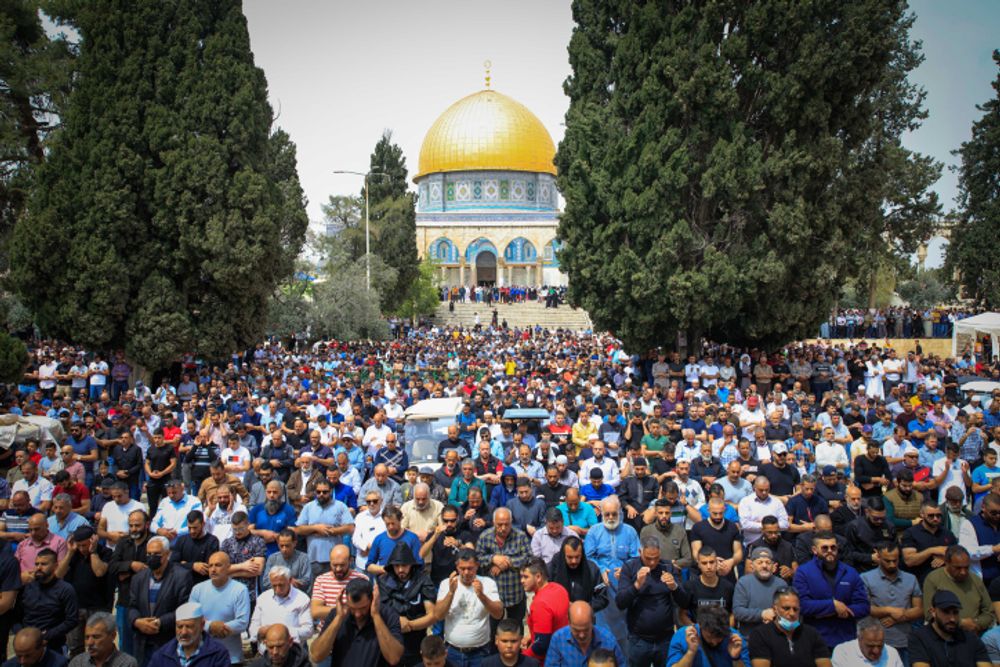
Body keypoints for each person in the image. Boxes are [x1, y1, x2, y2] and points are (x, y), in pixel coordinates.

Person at [616, 535, 686, 667]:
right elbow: (620, 602)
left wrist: (674, 587)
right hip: (638, 640)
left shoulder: (668, 566)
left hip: (665, 639)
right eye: (648, 558)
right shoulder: (630, 567)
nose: (653, 563)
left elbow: (684, 602)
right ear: (640, 552)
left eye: (656, 558)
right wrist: (636, 585)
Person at [792, 531, 870, 648]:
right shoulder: (803, 572)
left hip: (846, 638)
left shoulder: (850, 572)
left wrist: (841, 610)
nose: (830, 550)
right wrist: (833, 606)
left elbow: (864, 606)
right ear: (814, 550)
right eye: (824, 548)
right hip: (815, 640)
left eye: (833, 547)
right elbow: (802, 605)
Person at [128, 536, 194, 667]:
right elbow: (132, 606)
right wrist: (137, 621)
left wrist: (160, 622)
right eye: (149, 554)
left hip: (168, 641)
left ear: (167, 554)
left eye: (157, 554)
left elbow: (184, 609)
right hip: (143, 642)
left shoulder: (181, 576)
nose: (152, 557)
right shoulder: (138, 578)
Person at [309, 577, 404, 667]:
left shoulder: (388, 615)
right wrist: (338, 619)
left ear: (372, 599)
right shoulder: (336, 615)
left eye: (363, 608)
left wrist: (376, 616)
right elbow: (316, 656)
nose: (357, 614)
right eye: (353, 608)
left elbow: (394, 658)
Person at [434, 548, 504, 667]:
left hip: (480, 652)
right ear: (457, 567)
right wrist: (450, 593)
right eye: (462, 568)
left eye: (470, 568)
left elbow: (498, 614)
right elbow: (438, 615)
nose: (466, 572)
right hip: (453, 652)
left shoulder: (487, 583)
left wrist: (482, 595)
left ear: (477, 566)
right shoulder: (447, 584)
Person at [860, 542, 922, 666]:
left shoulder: (911, 578)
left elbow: (919, 610)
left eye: (895, 560)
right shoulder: (865, 578)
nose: (892, 564)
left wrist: (900, 617)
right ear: (878, 557)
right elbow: (865, 608)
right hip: (875, 643)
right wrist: (889, 610)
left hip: (904, 641)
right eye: (887, 561)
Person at [57, 525, 114, 657]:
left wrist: (93, 552)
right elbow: (59, 574)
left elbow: (99, 572)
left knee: (99, 646)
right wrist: (70, 552)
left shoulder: (105, 552)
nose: (82, 549)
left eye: (85, 545)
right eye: (79, 545)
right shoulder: (73, 554)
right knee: (75, 647)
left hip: (98, 607)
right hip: (75, 607)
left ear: (93, 540)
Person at [376, 543, 436, 667]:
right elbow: (382, 611)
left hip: (416, 639)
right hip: (392, 639)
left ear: (411, 564)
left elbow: (432, 615)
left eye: (404, 565)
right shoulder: (383, 581)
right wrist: (398, 622)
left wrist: (410, 625)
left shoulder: (423, 580)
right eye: (396, 566)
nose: (400, 569)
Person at [188, 552, 250, 665]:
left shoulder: (240, 590)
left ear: (228, 567)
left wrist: (221, 627)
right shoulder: (197, 589)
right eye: (210, 565)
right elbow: (191, 619)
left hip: (231, 657)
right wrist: (210, 626)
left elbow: (242, 622)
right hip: (202, 656)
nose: (213, 569)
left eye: (218, 565)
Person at [747, 588, 831, 667]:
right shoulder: (760, 635)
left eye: (795, 609)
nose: (792, 613)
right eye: (786, 608)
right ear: (774, 609)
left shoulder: (812, 634)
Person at [908, 589, 991, 667]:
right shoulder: (919, 637)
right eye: (946, 612)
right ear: (933, 612)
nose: (952, 618)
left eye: (955, 613)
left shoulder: (971, 639)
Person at [108, 509, 151, 657]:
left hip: (147, 602)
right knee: (125, 645)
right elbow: (112, 567)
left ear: (147, 524)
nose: (133, 529)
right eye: (131, 525)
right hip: (125, 600)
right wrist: (131, 565)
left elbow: (152, 569)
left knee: (146, 646)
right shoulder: (123, 542)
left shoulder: (154, 542)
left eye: (137, 525)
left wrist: (126, 574)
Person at [476, 507, 531, 622]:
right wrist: (493, 558)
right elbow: (477, 559)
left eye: (507, 524)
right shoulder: (484, 537)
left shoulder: (520, 536)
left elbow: (528, 558)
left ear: (511, 522)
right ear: (493, 522)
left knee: (516, 630)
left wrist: (507, 562)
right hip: (492, 598)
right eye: (499, 525)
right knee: (493, 633)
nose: (503, 528)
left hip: (515, 595)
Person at [921, 545, 993, 632]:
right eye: (958, 568)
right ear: (947, 563)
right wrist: (960, 623)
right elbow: (929, 614)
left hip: (973, 633)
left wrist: (976, 623)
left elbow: (989, 612)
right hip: (945, 634)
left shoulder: (975, 580)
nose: (963, 572)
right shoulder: (934, 579)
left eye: (966, 567)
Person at [21, 548, 79, 654]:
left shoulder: (65, 589)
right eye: (36, 564)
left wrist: (46, 636)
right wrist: (22, 634)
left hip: (53, 645)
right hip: (27, 643)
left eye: (44, 564)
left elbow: (72, 620)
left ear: (55, 566)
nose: (38, 567)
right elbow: (16, 616)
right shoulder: (28, 587)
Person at [296, 479, 355, 580]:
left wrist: (330, 531)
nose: (321, 494)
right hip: (313, 558)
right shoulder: (308, 507)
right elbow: (298, 529)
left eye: (325, 492)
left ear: (331, 491)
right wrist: (316, 528)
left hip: (336, 561)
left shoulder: (340, 506)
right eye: (318, 492)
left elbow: (350, 528)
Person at [146, 602, 230, 667]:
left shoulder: (218, 654)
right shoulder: (162, 655)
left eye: (189, 627)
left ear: (202, 625)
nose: (184, 632)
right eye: (180, 626)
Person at [545, 601, 626, 667]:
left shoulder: (608, 641)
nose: (582, 635)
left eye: (586, 630)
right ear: (569, 622)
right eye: (576, 630)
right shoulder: (558, 639)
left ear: (593, 621)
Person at [520, 557, 569, 666]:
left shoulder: (540, 603)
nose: (521, 581)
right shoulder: (559, 588)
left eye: (525, 577)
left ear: (538, 577)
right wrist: (531, 636)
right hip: (566, 653)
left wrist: (522, 659)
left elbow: (541, 645)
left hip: (549, 660)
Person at [664, 605, 749, 667]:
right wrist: (690, 652)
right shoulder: (683, 636)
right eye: (710, 636)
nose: (714, 642)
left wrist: (736, 658)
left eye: (719, 637)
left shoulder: (735, 640)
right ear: (700, 626)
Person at [249, 567, 313, 648]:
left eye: (281, 585)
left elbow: (308, 630)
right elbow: (252, 628)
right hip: (266, 652)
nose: (277, 590)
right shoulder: (263, 598)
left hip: (292, 652)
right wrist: (259, 632)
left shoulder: (302, 599)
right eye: (274, 586)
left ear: (290, 581)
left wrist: (278, 632)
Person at [732, 546, 786, 636]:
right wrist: (762, 614)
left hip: (777, 636)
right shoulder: (743, 583)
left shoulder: (781, 584)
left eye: (768, 562)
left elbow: (788, 610)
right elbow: (738, 611)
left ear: (773, 565)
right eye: (760, 562)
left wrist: (775, 616)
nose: (764, 566)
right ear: (752, 566)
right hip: (749, 638)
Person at [901, 500, 957, 586]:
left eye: (938, 515)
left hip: (945, 583)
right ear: (922, 514)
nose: (935, 518)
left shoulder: (947, 533)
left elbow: (957, 555)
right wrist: (931, 551)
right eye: (931, 516)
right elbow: (909, 561)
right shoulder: (911, 533)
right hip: (920, 583)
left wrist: (945, 558)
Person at [310, 543, 369, 624]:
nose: (338, 569)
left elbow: (366, 609)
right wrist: (347, 609)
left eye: (342, 565)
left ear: (350, 560)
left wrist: (330, 610)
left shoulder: (362, 579)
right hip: (328, 629)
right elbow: (315, 612)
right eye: (334, 565)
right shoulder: (321, 580)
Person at [677, 547, 735, 627]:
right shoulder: (689, 586)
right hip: (699, 634)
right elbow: (682, 614)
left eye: (712, 562)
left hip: (723, 633)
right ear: (699, 564)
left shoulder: (728, 587)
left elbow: (733, 614)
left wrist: (727, 630)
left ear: (717, 563)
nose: (708, 567)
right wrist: (695, 629)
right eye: (704, 563)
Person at [547, 537, 609, 612]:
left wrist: (582, 607)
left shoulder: (592, 570)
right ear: (563, 555)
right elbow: (544, 594)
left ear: (582, 555)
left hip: (584, 617)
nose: (574, 561)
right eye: (570, 557)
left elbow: (602, 597)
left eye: (577, 557)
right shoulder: (552, 569)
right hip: (558, 617)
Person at [219, 512, 266, 609]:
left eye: (241, 528)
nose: (237, 532)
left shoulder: (258, 542)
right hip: (229, 593)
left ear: (248, 524)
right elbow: (219, 569)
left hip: (250, 594)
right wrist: (243, 566)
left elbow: (257, 570)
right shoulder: (227, 543)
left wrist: (229, 572)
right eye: (234, 529)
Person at [67, 611, 137, 667]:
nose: (89, 643)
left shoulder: (127, 664)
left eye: (96, 637)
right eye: (87, 637)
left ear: (113, 636)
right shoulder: (78, 662)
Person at [247, 481, 298, 557]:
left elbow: (293, 532)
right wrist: (263, 533)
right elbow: (248, 531)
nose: (271, 495)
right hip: (259, 553)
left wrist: (276, 536)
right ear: (265, 492)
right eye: (269, 492)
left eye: (275, 492)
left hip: (281, 553)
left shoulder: (288, 510)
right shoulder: (257, 509)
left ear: (281, 493)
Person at [639, 500, 693, 571]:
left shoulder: (680, 531)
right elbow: (641, 557)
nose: (664, 516)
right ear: (655, 513)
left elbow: (688, 559)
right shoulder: (646, 531)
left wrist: (672, 564)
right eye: (660, 513)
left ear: (671, 514)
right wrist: (665, 564)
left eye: (667, 513)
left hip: (674, 573)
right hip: (652, 573)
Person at [169, 511, 219, 586]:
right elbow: (172, 564)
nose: (192, 531)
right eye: (189, 528)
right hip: (182, 584)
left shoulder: (212, 541)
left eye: (195, 528)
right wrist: (192, 566)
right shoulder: (182, 540)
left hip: (203, 585)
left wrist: (184, 564)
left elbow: (207, 568)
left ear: (203, 524)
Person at [830, 617, 904, 667]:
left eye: (880, 646)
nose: (876, 651)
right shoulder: (843, 652)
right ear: (859, 638)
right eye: (870, 646)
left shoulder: (892, 653)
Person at [1, 627, 68, 667]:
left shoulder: (58, 664)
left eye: (27, 656)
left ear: (41, 647)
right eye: (19, 656)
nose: (22, 661)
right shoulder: (8, 665)